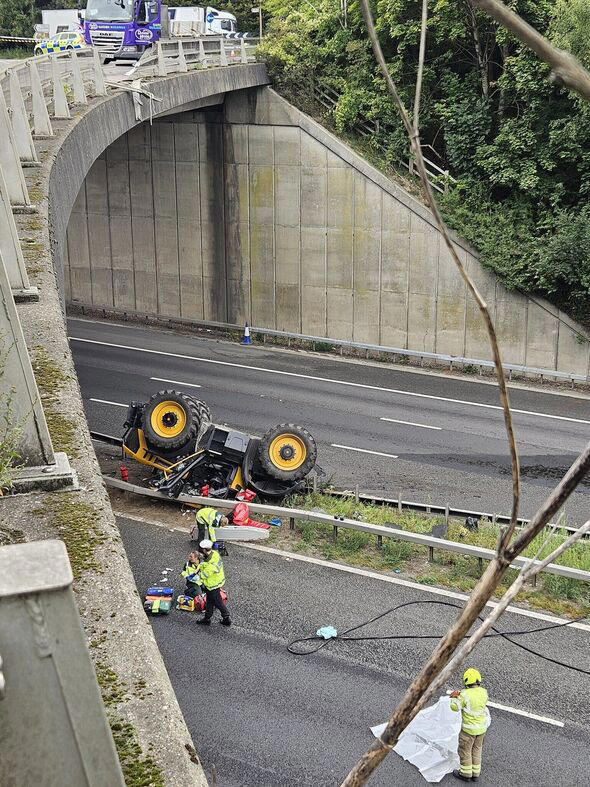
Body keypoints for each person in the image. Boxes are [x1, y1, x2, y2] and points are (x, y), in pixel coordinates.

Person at [450, 668, 489, 782]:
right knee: (477, 750)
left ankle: (466, 774)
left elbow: (454, 707)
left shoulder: (464, 695)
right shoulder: (484, 692)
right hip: (481, 729)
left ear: (466, 681)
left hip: (468, 730)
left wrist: (454, 697)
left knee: (465, 750)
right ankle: (476, 773)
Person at [194, 539, 231, 626]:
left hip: (212, 585)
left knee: (218, 602)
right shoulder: (214, 554)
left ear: (203, 550)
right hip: (214, 583)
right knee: (209, 601)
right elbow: (204, 562)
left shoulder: (211, 565)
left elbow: (203, 575)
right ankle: (207, 618)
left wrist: (195, 573)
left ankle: (226, 618)